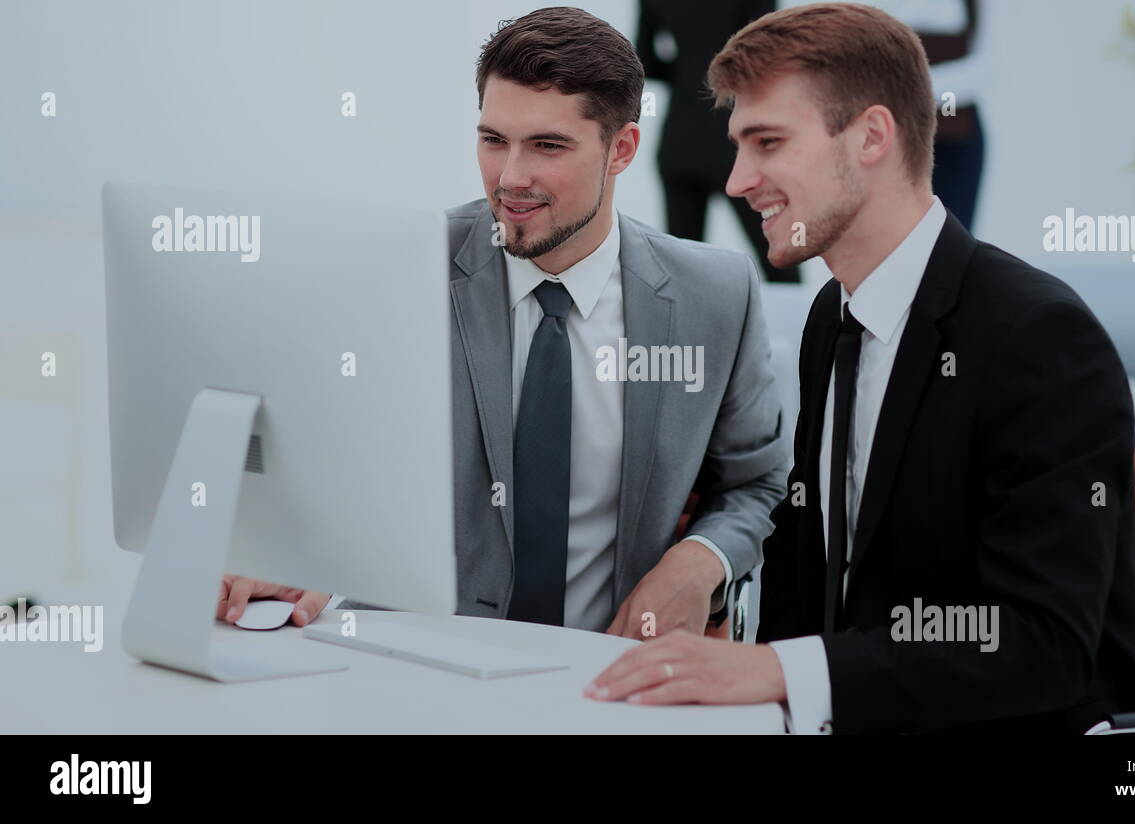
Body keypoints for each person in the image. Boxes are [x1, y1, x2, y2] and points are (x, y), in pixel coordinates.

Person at [586, 2, 1135, 732]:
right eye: (738, 146)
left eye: (767, 142)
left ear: (870, 136)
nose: (737, 180)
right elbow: (813, 585)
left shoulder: (1041, 339)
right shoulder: (833, 318)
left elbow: (1041, 644)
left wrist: (776, 672)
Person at [216, 7, 787, 638]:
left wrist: (699, 563)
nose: (511, 178)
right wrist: (293, 553)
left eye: (547, 145)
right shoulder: (398, 268)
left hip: (610, 679)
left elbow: (755, 483)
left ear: (621, 149)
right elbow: (325, 469)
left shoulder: (716, 294)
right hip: (415, 666)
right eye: (493, 140)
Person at [636, 0, 799, 283]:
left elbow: (645, 60)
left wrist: (688, 72)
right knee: (780, 257)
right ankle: (805, 326)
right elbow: (773, 52)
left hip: (680, 138)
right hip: (738, 139)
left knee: (680, 269)